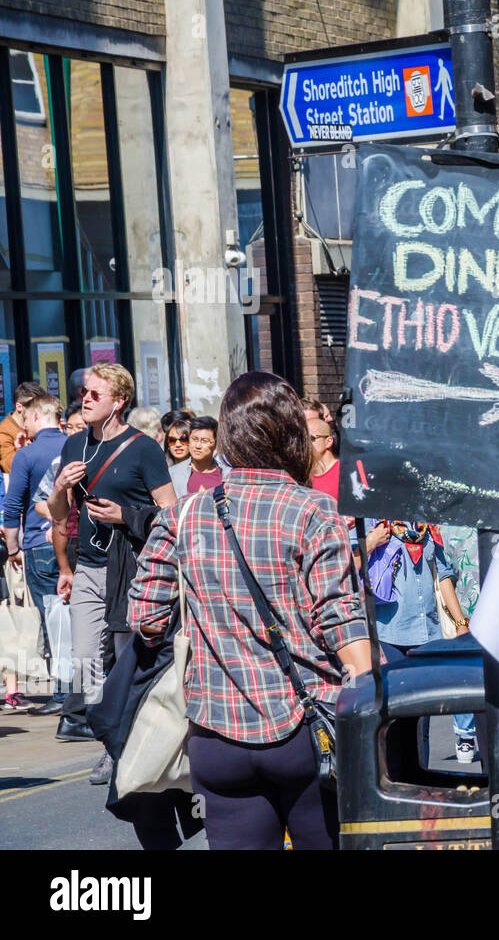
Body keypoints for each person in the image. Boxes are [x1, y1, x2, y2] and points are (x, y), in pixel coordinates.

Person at [129, 371, 372, 849]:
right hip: (306, 727)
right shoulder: (313, 511)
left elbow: (146, 620)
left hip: (217, 732)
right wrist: (367, 693)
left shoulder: (182, 515)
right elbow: (340, 616)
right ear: (292, 434)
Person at [46, 364, 177, 769]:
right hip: (89, 565)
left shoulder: (142, 449)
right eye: (83, 393)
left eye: (94, 395)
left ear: (118, 402)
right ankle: (110, 735)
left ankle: (119, 747)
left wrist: (125, 515)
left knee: (126, 660)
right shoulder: (73, 447)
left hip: (132, 569)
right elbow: (57, 515)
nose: (84, 400)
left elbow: (172, 514)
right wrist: (60, 488)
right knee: (85, 661)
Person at [365, 519, 476, 760]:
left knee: (422, 719)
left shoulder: (427, 527)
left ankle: (421, 779)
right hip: (389, 634)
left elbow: (444, 575)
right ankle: (396, 781)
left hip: (427, 634)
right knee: (393, 717)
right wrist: (370, 543)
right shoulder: (375, 524)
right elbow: (347, 565)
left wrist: (460, 624)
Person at [3, 393, 67, 715]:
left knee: (50, 620)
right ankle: (84, 688)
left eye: (27, 418)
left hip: (39, 546)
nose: (24, 424)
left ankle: (62, 693)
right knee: (74, 618)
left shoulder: (27, 457)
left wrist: (13, 549)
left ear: (39, 417)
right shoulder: (75, 445)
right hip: (74, 543)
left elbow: (12, 507)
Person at [168, 416, 227, 497]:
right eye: (195, 439)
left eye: (204, 441)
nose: (198, 446)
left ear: (216, 444)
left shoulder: (226, 475)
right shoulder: (173, 474)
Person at [1, 382, 47, 472]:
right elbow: (9, 467)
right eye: (35, 406)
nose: (40, 410)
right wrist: (23, 449)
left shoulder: (37, 424)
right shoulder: (3, 432)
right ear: (19, 407)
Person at [308, 417, 341, 501]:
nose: (306, 443)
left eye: (312, 438)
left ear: (328, 441)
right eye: (303, 439)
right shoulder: (301, 474)